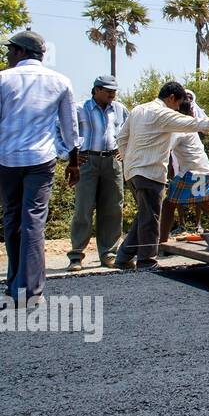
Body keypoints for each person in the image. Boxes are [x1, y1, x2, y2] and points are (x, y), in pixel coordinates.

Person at [116, 81, 209, 270]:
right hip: (151, 171)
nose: (177, 108)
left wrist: (129, 159)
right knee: (151, 218)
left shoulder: (138, 109)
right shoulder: (163, 113)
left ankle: (124, 256)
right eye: (177, 104)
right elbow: (192, 123)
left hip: (134, 171)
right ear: (171, 98)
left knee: (147, 215)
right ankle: (147, 262)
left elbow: (121, 137)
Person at [0, 30, 79, 304]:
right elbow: (70, 129)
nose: (8, 56)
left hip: (7, 159)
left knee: (12, 218)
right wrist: (74, 161)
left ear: (21, 52)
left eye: (10, 51)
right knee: (33, 221)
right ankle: (29, 291)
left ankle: (13, 286)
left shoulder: (2, 79)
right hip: (40, 160)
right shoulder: (60, 81)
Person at [67, 74, 129, 271]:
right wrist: (72, 157)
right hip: (87, 161)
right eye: (108, 90)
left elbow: (129, 132)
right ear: (96, 90)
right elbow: (64, 132)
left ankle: (109, 254)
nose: (112, 94)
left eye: (114, 90)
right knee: (83, 209)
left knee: (113, 208)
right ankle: (76, 255)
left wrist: (124, 152)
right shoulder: (79, 108)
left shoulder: (120, 109)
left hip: (112, 161)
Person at [159, 95, 209, 242]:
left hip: (194, 171)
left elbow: (166, 148)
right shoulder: (187, 125)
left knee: (173, 205)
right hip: (196, 170)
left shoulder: (179, 128)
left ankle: (162, 243)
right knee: (202, 205)